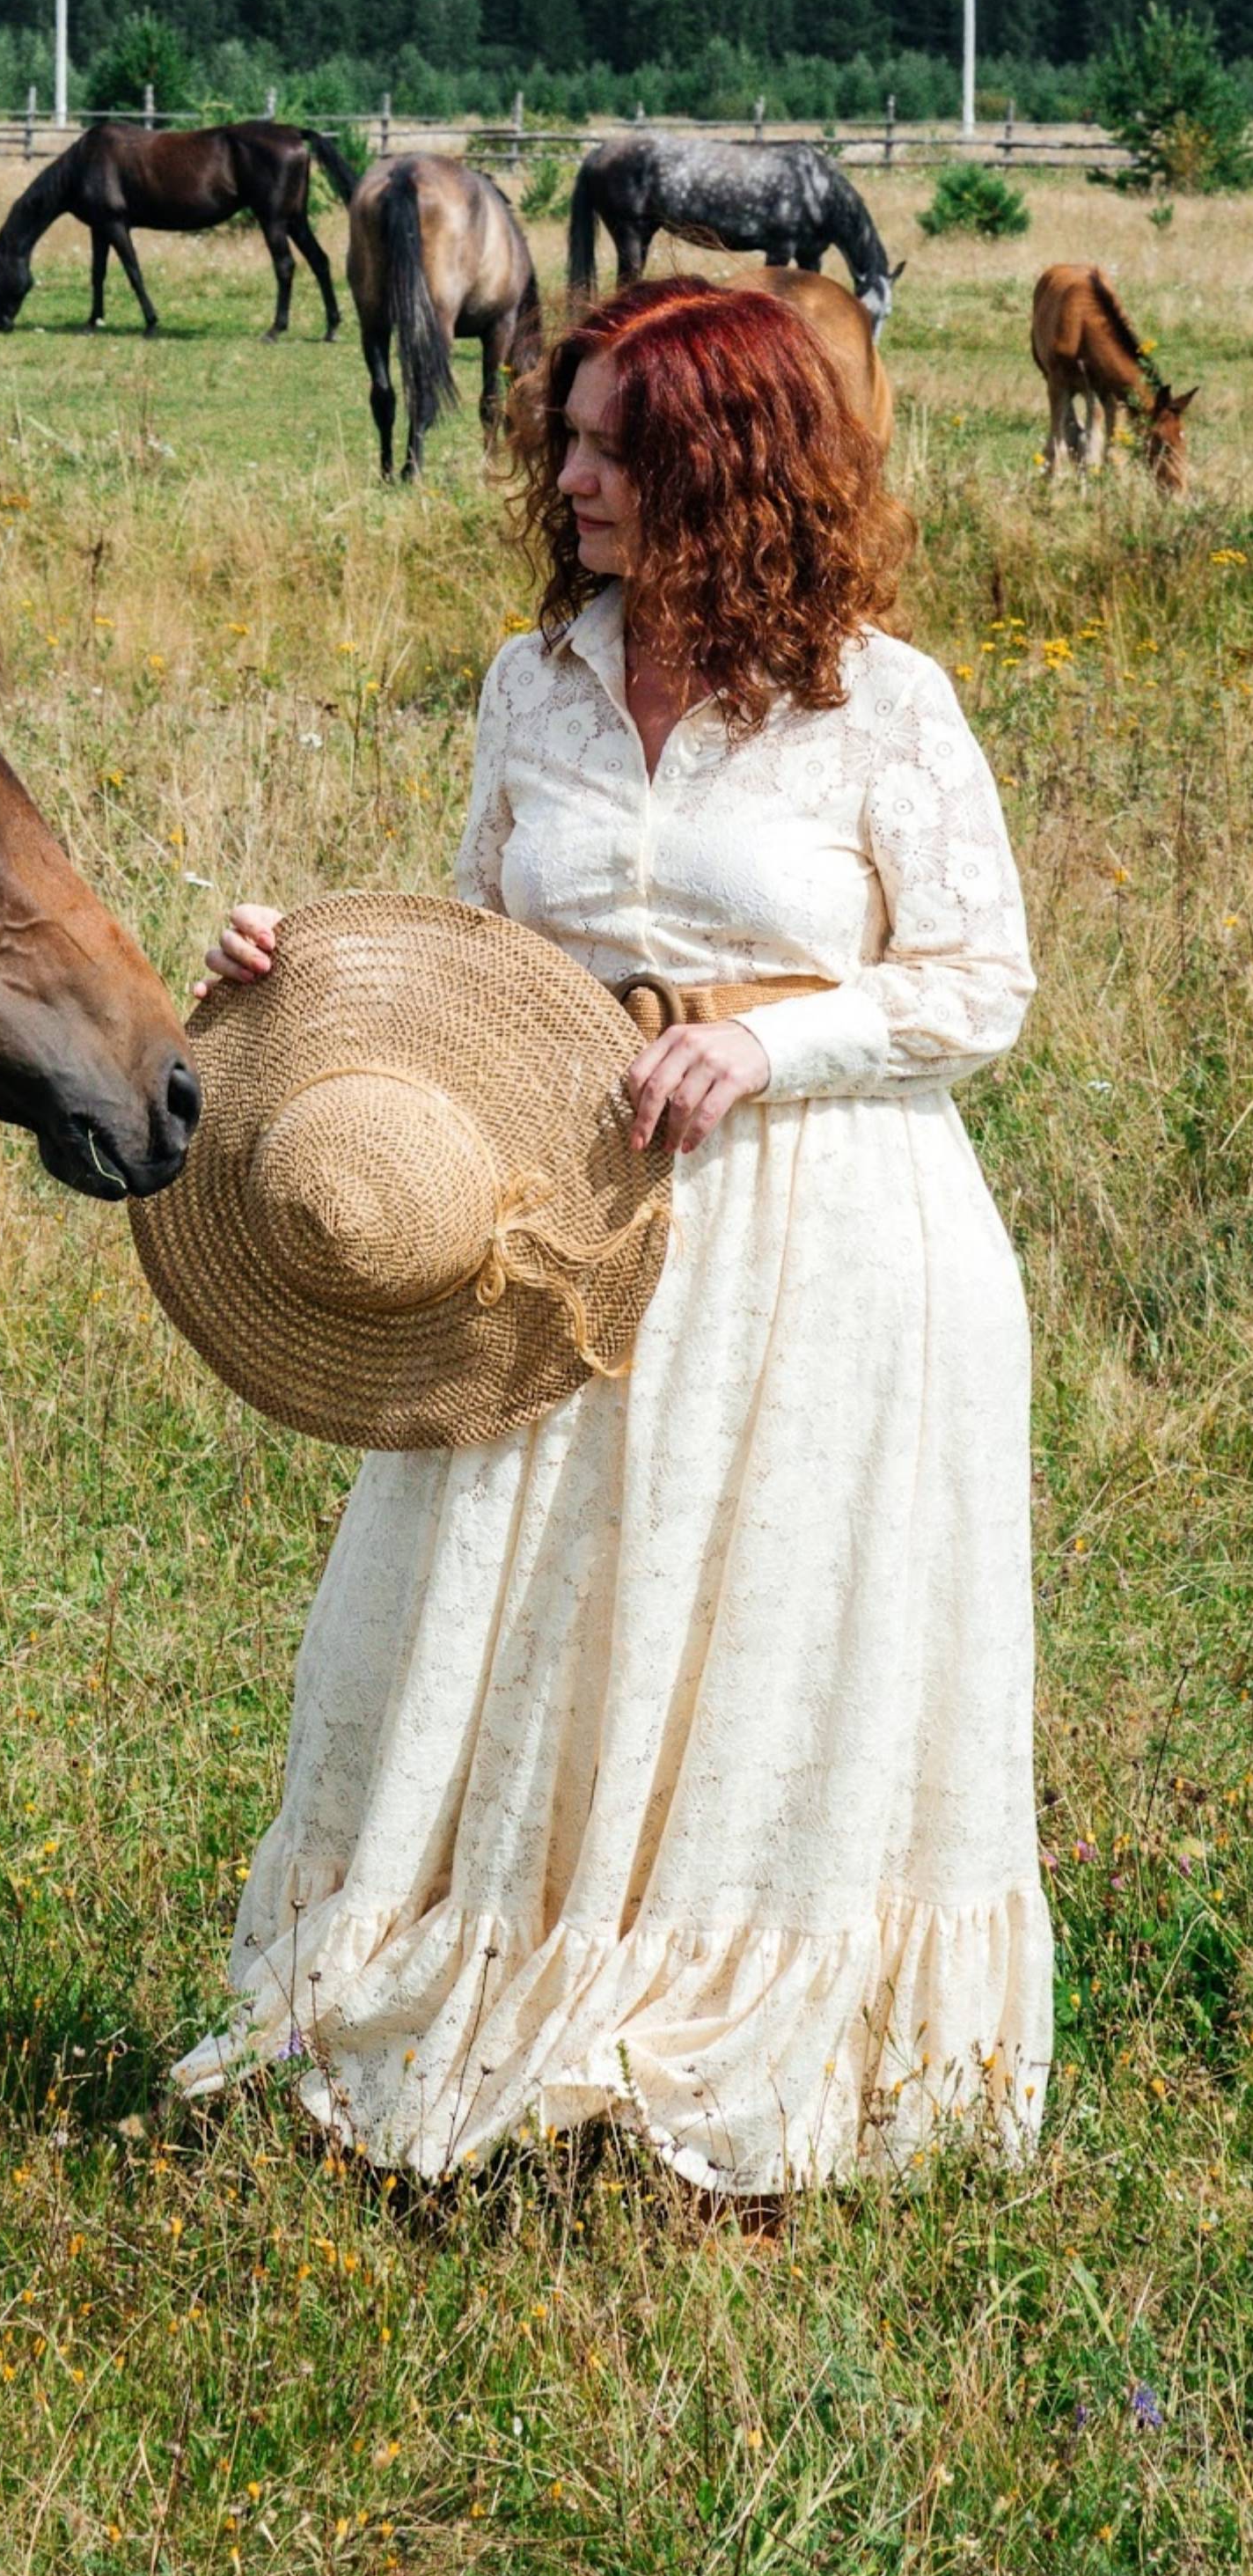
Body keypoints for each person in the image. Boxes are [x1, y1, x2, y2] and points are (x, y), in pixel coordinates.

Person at [187, 273, 1048, 2201]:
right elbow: (481, 960)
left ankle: (733, 2040)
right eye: (563, 436)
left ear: (721, 464)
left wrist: (769, 1039)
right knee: (548, 1615)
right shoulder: (534, 682)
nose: (564, 473)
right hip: (579, 1228)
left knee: (768, 1630)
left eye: (609, 444)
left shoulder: (878, 706)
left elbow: (981, 984)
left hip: (828, 1238)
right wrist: (299, 970)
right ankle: (489, 1995)